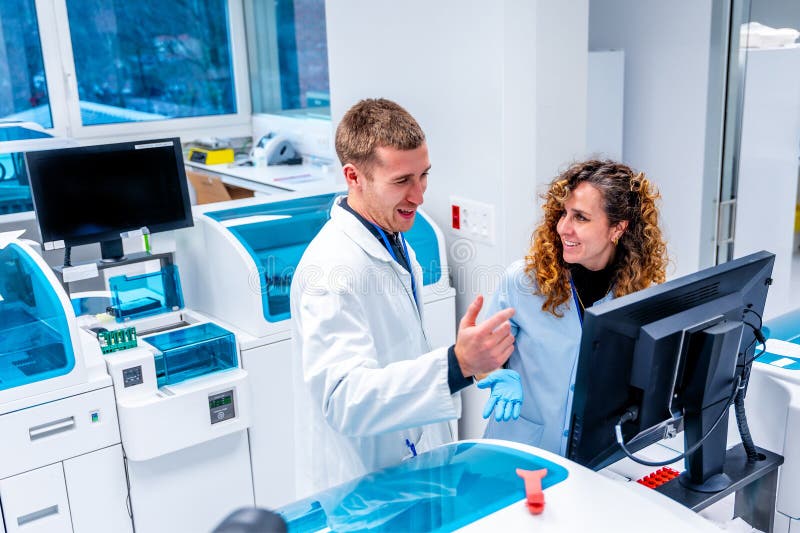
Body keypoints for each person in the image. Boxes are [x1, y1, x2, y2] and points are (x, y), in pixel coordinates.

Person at [290, 98, 520, 496]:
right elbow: (346, 399)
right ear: (354, 176)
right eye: (401, 182)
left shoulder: (393, 240)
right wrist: (455, 364)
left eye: (423, 176)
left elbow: (399, 352)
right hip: (360, 483)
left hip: (405, 465)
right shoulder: (330, 270)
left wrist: (473, 368)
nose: (419, 195)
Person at [482, 159, 668, 454]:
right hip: (520, 448)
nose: (563, 228)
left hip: (590, 456)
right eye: (564, 214)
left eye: (580, 217)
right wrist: (496, 376)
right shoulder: (524, 282)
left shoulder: (639, 294)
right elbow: (480, 358)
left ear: (617, 228)